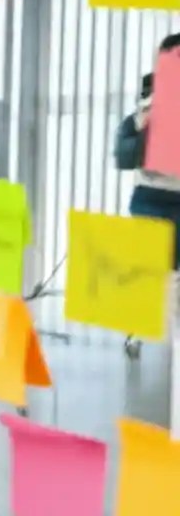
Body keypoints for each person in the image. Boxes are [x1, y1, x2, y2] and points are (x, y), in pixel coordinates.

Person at [115, 33, 180, 358]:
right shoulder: (149, 101)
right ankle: (137, 331)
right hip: (150, 197)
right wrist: (145, 128)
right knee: (151, 272)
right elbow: (123, 155)